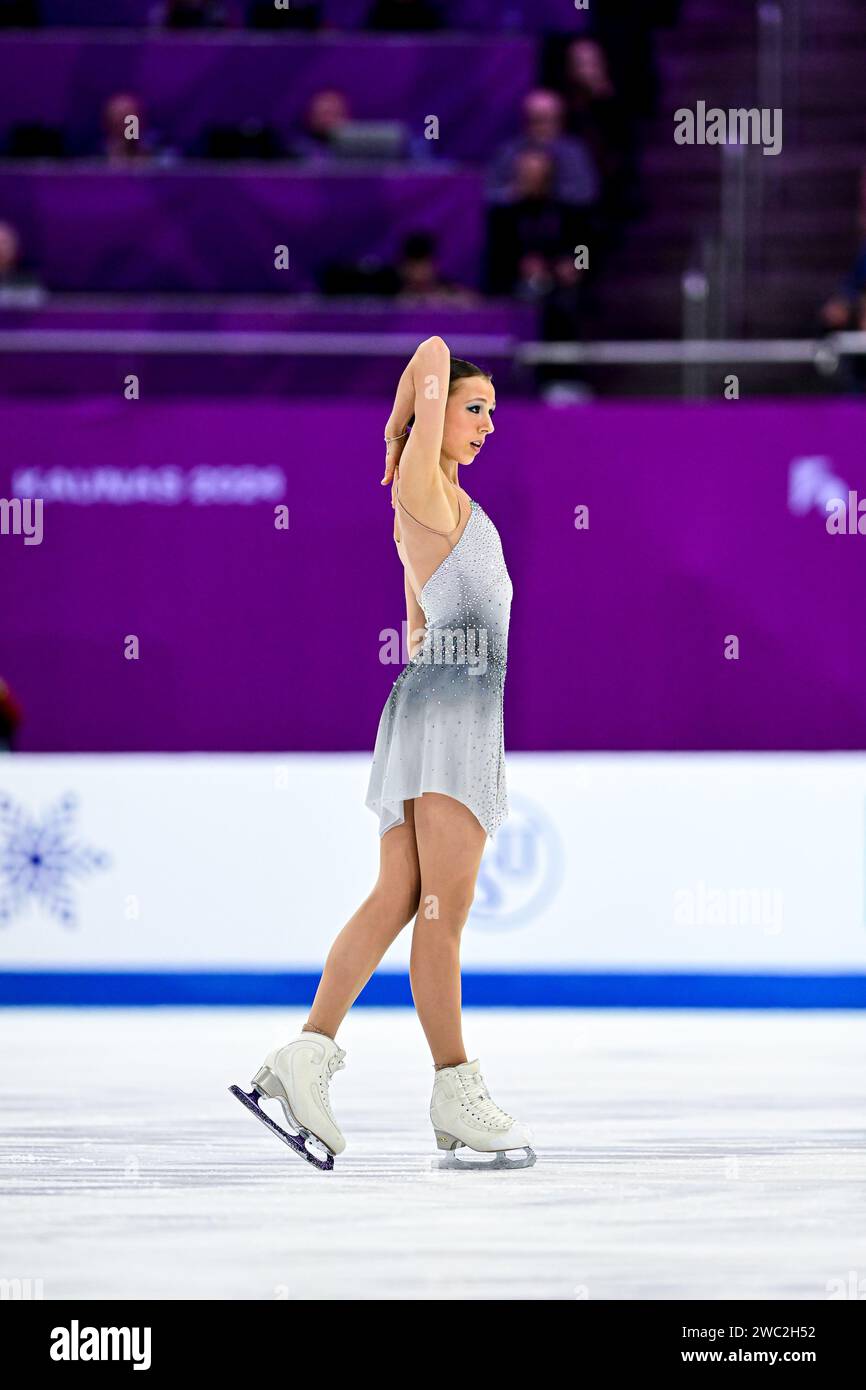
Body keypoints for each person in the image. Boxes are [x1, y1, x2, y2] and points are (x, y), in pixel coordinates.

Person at [230, 338, 535, 1172]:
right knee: (445, 909)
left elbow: (420, 631)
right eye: (473, 408)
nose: (486, 424)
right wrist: (406, 422)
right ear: (437, 415)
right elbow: (433, 348)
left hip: (431, 703)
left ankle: (306, 1055)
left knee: (403, 895)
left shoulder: (431, 511)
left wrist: (413, 429)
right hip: (453, 715)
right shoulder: (425, 494)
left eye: (493, 414)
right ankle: (454, 1087)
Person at [487, 88, 598, 210]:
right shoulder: (510, 150)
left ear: (560, 119)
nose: (541, 126)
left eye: (546, 118)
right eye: (534, 119)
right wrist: (515, 192)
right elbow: (487, 192)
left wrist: (547, 190)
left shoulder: (573, 151)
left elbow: (587, 193)